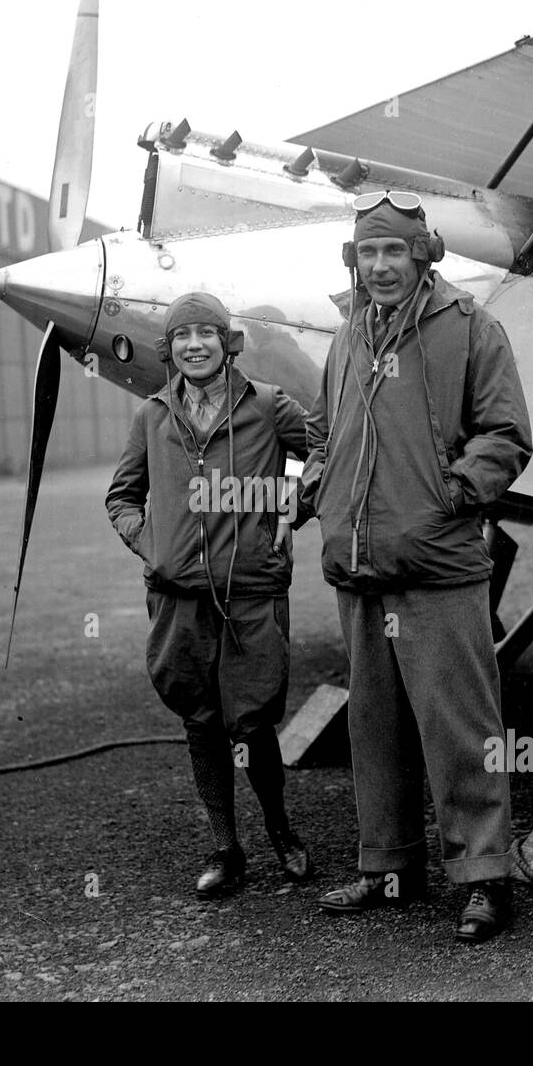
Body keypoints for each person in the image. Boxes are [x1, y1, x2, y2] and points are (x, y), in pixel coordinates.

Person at [297, 192, 533, 942]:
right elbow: (327, 433)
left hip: (438, 565)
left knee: (461, 728)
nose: (381, 266)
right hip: (360, 565)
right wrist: (315, 490)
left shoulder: (472, 330)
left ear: (422, 253)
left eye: (394, 251)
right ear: (354, 261)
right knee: (375, 726)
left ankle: (486, 879)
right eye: (368, 253)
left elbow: (506, 433)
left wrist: (452, 496)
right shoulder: (346, 339)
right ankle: (388, 869)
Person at [106, 292, 315, 898]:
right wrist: (150, 544)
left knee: (251, 721)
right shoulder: (151, 416)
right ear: (167, 348)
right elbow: (122, 495)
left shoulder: (269, 407)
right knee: (200, 722)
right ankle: (227, 850)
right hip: (177, 596)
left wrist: (292, 505)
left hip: (250, 590)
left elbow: (328, 451)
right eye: (181, 335)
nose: (194, 344)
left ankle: (281, 831)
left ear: (228, 343)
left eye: (206, 332)